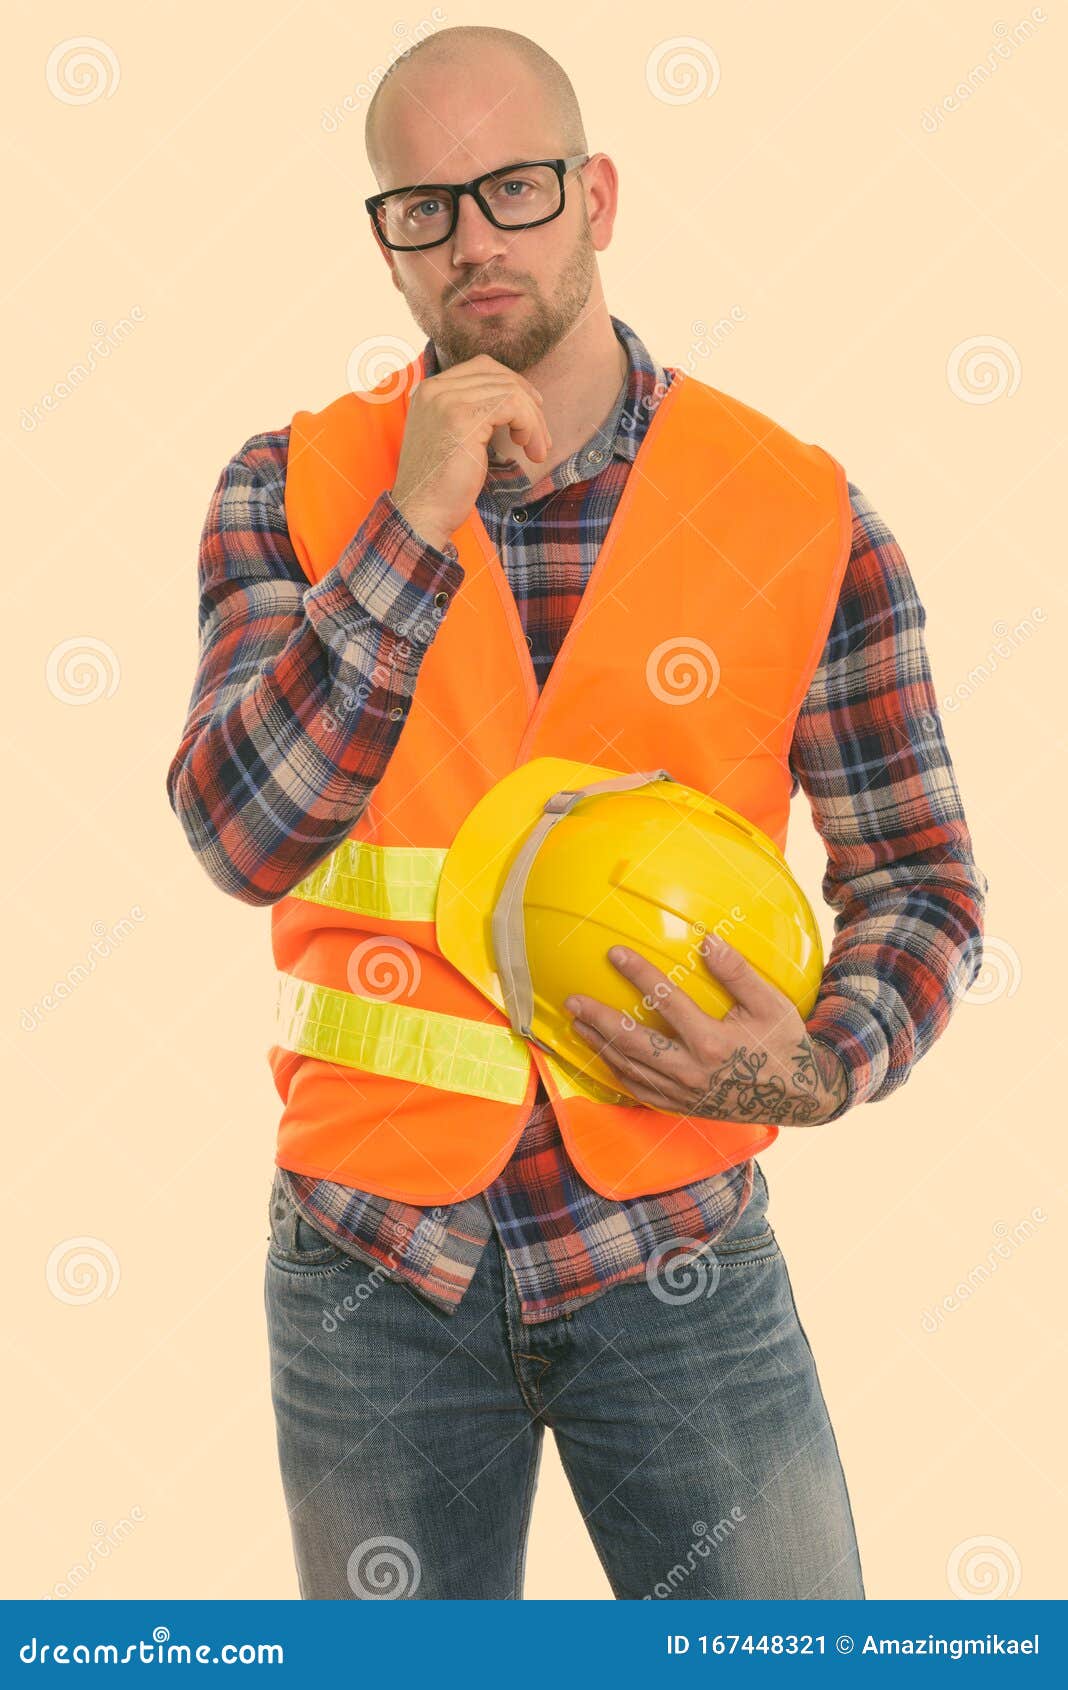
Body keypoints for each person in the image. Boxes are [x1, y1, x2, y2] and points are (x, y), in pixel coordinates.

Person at [165, 25, 987, 1601]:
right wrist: (413, 521)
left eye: (518, 186)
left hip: (673, 1239)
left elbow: (923, 877)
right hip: (369, 1255)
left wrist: (827, 1059)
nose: (476, 237)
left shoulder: (794, 506)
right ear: (386, 244)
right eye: (426, 205)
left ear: (596, 196)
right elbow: (238, 833)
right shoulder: (295, 487)